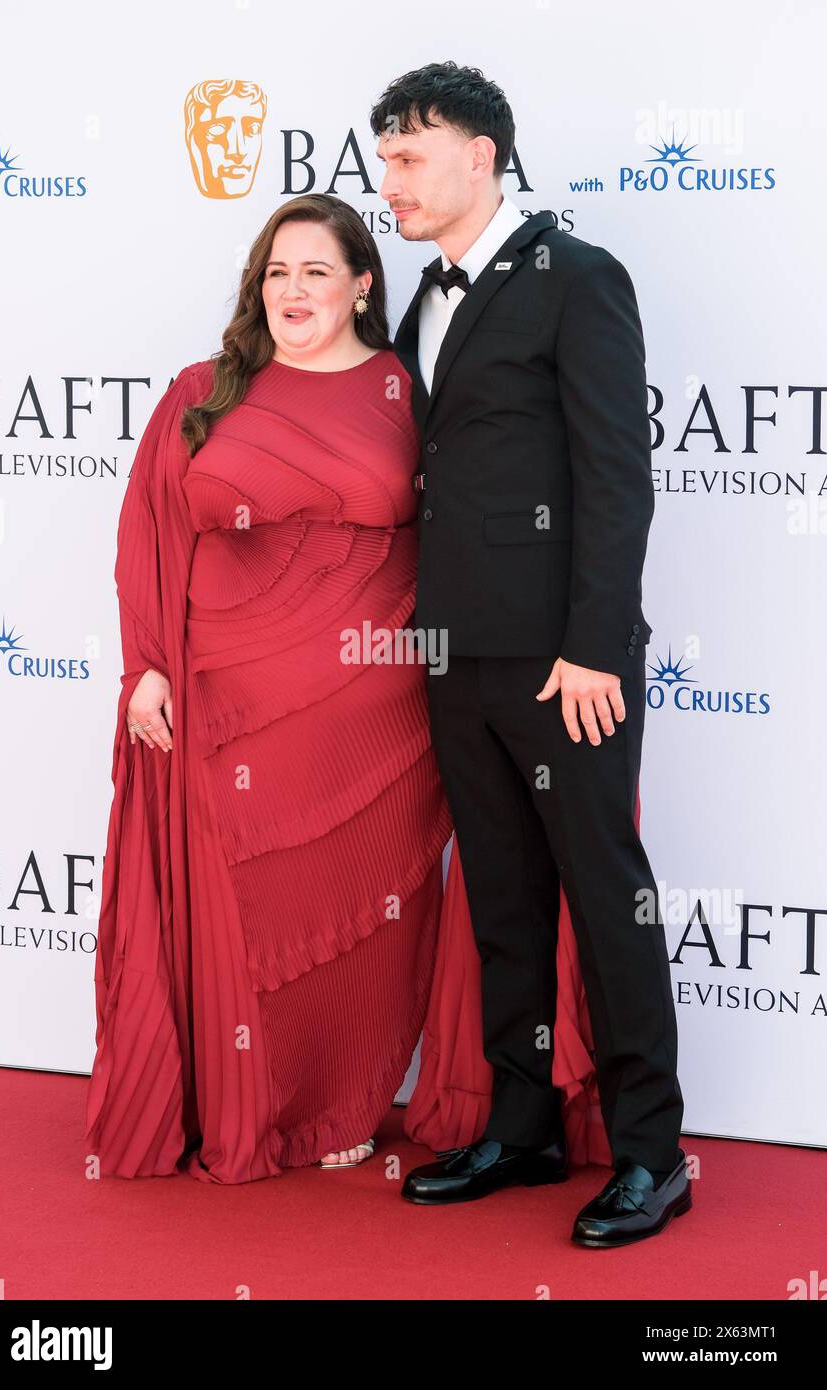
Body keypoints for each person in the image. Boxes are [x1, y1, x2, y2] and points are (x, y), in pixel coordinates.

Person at [84, 191, 609, 1188]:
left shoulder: (409, 390)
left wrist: (556, 636)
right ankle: (247, 1106)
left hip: (375, 706)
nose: (293, 289)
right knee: (244, 917)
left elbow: (466, 524)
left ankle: (340, 1100)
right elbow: (149, 533)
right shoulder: (203, 389)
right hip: (218, 705)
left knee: (363, 919)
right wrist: (144, 664)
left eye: (315, 270)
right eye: (276, 272)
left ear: (363, 284)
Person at [371, 61, 691, 1247]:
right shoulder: (423, 295)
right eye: (385, 156)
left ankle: (654, 1154)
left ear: (482, 156)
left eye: (409, 155)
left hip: (566, 666)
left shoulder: (578, 278)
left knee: (606, 901)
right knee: (502, 899)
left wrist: (597, 645)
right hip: (456, 654)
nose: (388, 179)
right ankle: (521, 1122)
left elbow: (616, 477)